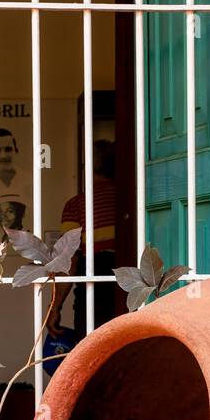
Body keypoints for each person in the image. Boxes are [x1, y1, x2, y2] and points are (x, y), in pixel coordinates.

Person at [49, 140, 118, 345]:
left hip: (93, 285)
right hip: (131, 283)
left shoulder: (76, 205)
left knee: (91, 351)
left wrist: (55, 307)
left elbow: (70, 260)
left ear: (86, 168)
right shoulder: (133, 199)